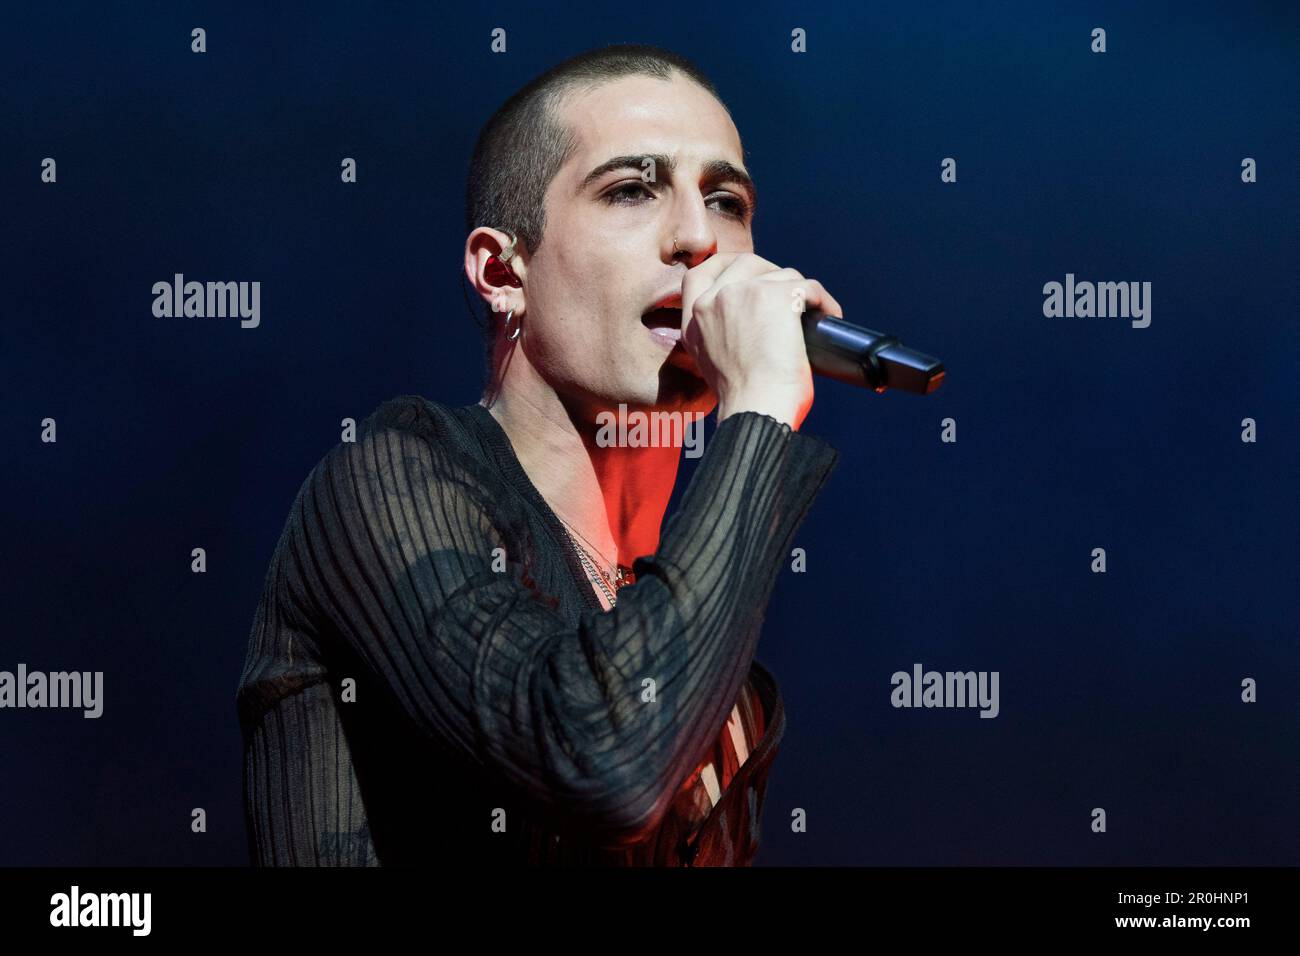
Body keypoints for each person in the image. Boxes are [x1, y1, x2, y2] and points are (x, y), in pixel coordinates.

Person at [236, 42, 842, 866]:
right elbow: (602, 758)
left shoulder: (713, 672)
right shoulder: (386, 482)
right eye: (632, 189)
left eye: (727, 200)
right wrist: (763, 407)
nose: (699, 238)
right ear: (501, 270)